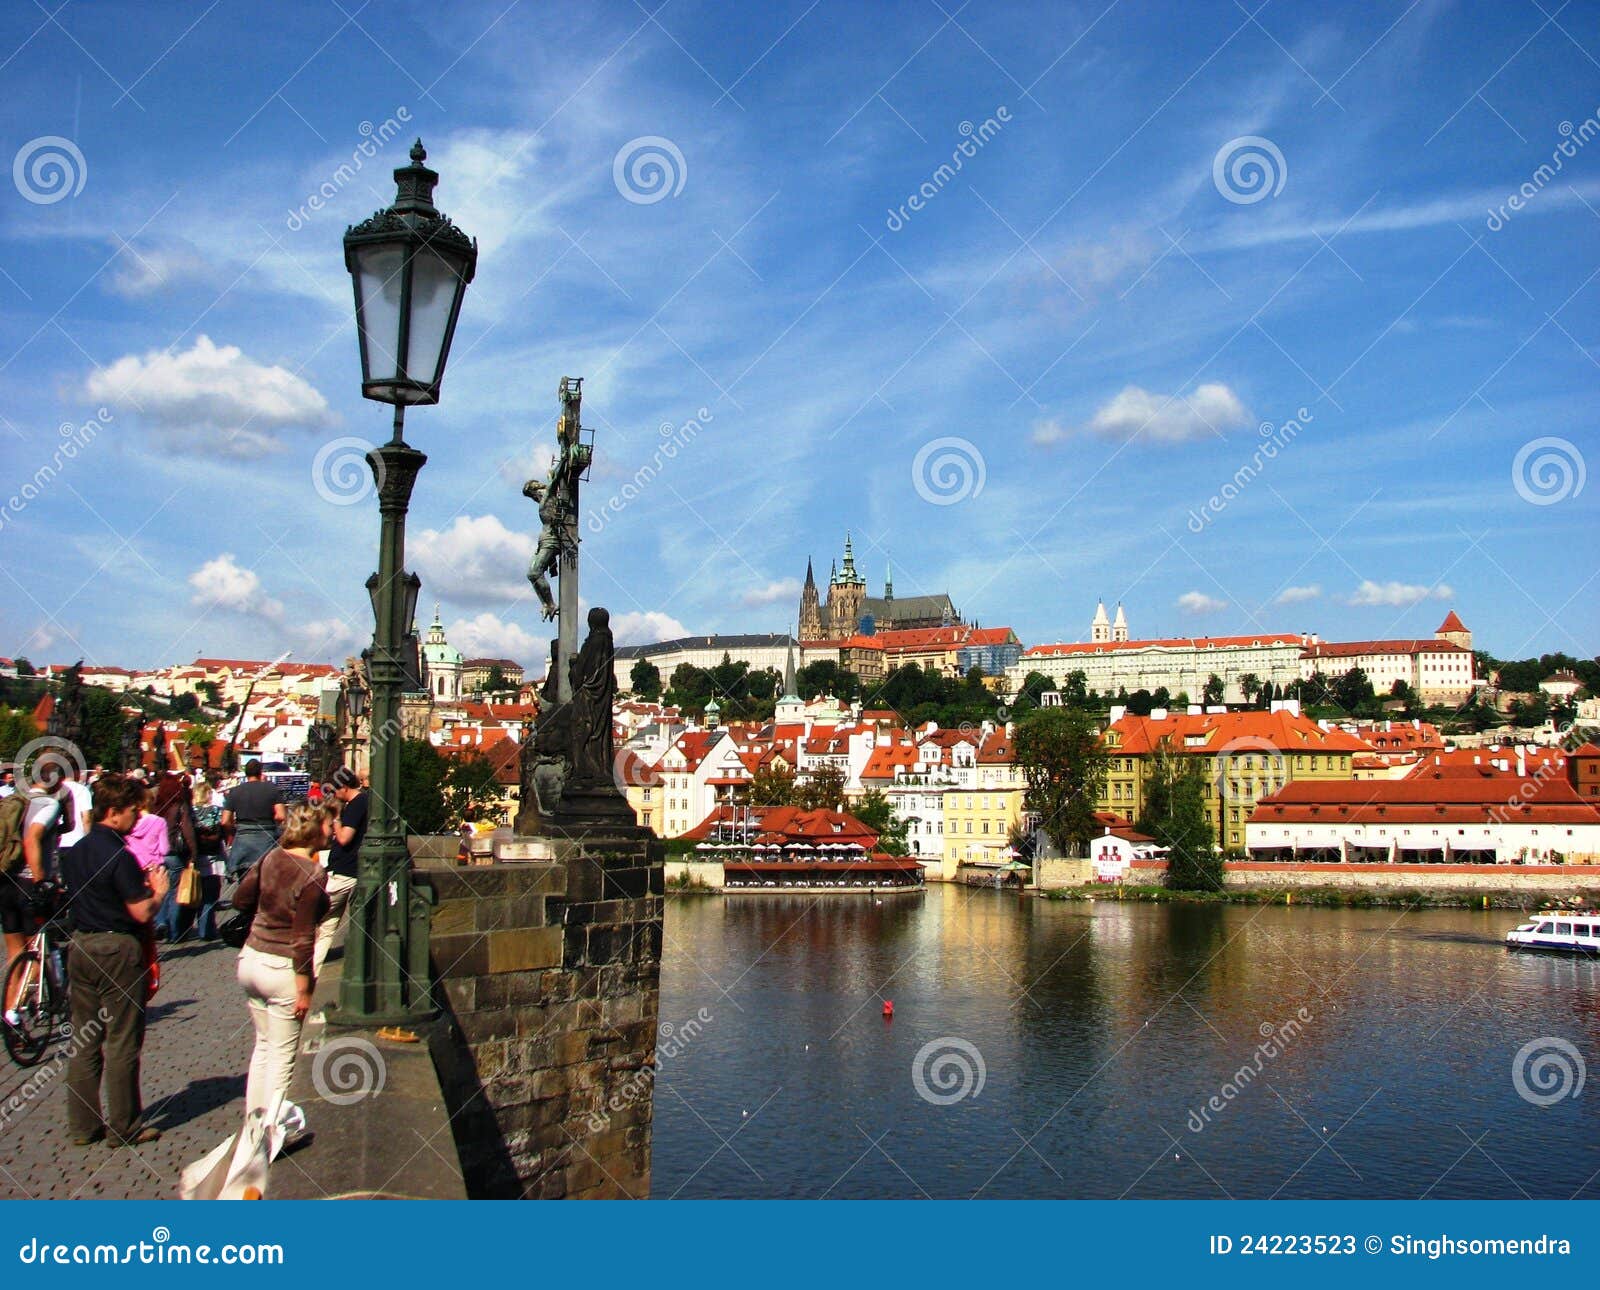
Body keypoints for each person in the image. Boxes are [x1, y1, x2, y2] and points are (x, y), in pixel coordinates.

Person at [59, 775, 165, 1147]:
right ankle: (125, 1125)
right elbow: (140, 912)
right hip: (117, 948)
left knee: (85, 1039)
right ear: (114, 812)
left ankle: (83, 1126)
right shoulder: (119, 856)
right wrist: (158, 893)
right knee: (122, 1039)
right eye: (133, 811)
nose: (137, 818)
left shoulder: (75, 852)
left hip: (81, 945)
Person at [230, 804, 330, 1119]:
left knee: (263, 1046)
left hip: (251, 959)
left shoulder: (270, 857)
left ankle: (254, 1120)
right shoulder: (313, 874)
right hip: (280, 968)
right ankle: (273, 1129)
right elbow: (302, 939)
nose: (332, 830)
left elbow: (240, 900)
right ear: (315, 831)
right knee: (282, 1056)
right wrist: (305, 990)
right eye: (328, 824)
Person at [313, 767, 366, 975]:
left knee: (312, 913)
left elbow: (344, 838)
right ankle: (313, 970)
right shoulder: (360, 802)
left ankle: (298, 966)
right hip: (348, 870)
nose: (333, 796)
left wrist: (335, 818)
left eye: (335, 791)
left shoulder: (356, 805)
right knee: (328, 925)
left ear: (344, 787)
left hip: (344, 872)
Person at [151, 773, 198, 943]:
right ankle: (173, 931)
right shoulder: (179, 806)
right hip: (175, 854)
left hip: (156, 855)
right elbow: (187, 830)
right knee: (174, 893)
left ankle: (159, 922)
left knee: (159, 890)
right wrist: (193, 853)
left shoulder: (155, 807)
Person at [221, 760, 284, 881]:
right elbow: (281, 815)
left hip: (243, 840)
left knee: (245, 884)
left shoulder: (234, 792)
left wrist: (234, 830)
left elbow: (224, 821)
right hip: (267, 838)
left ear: (246, 773)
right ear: (260, 772)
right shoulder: (271, 789)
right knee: (266, 882)